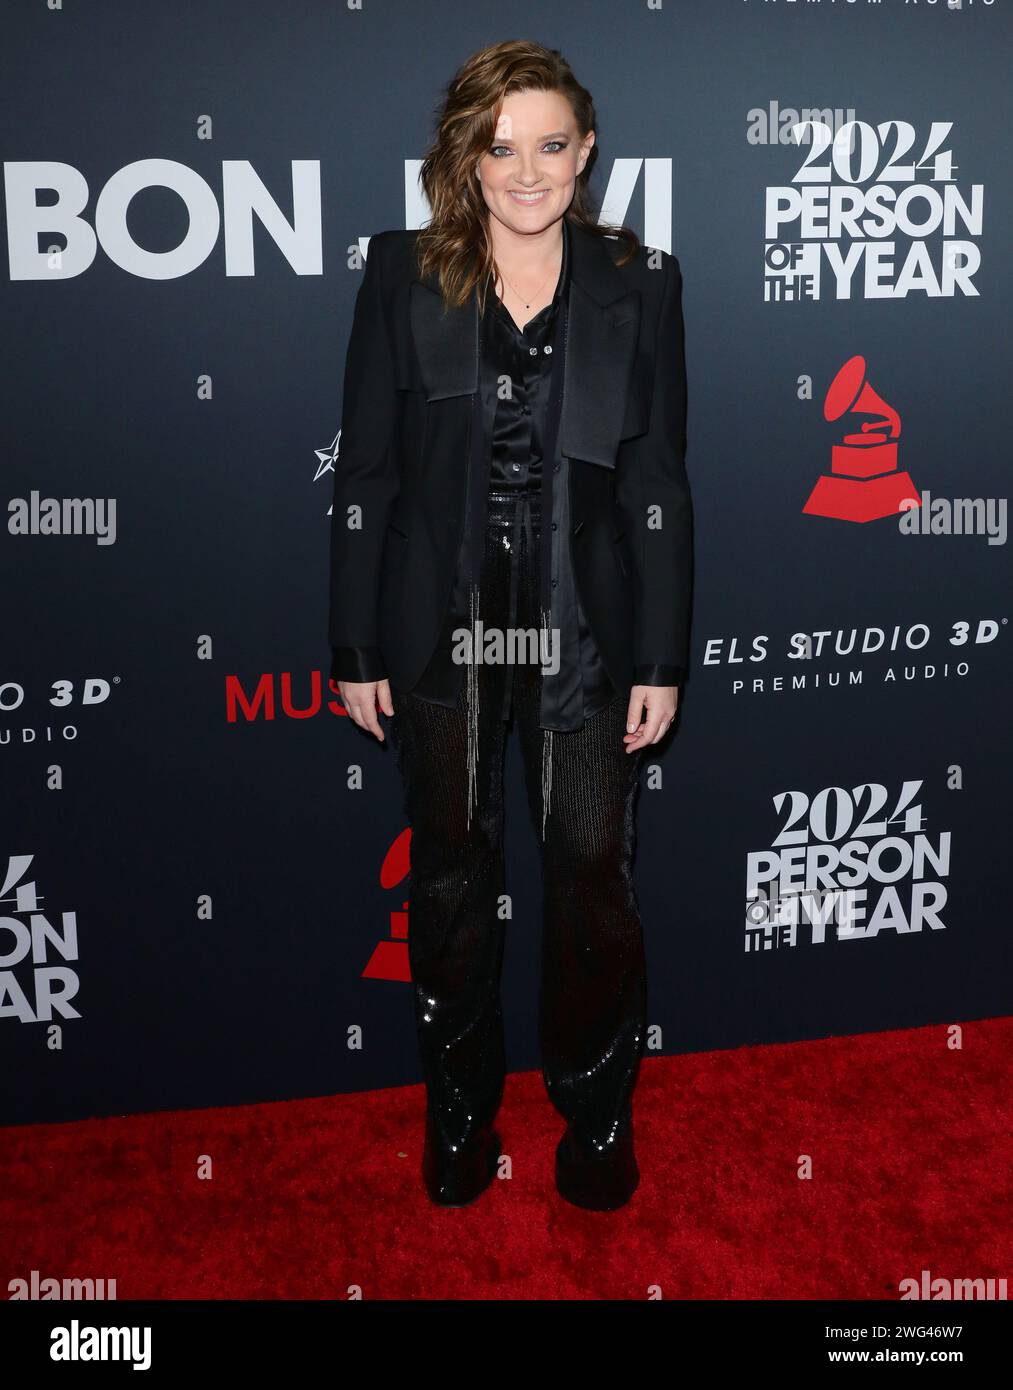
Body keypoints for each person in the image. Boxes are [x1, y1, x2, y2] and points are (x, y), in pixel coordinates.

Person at [329, 40, 692, 1211]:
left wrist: (660, 656)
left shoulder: (644, 280)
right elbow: (367, 477)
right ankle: (458, 1113)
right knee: (447, 882)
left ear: (585, 153)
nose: (525, 171)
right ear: (465, 157)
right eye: (500, 147)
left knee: (590, 878)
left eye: (549, 145)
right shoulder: (401, 273)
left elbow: (657, 481)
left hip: (582, 634)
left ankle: (592, 1119)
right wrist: (352, 644)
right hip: (443, 637)